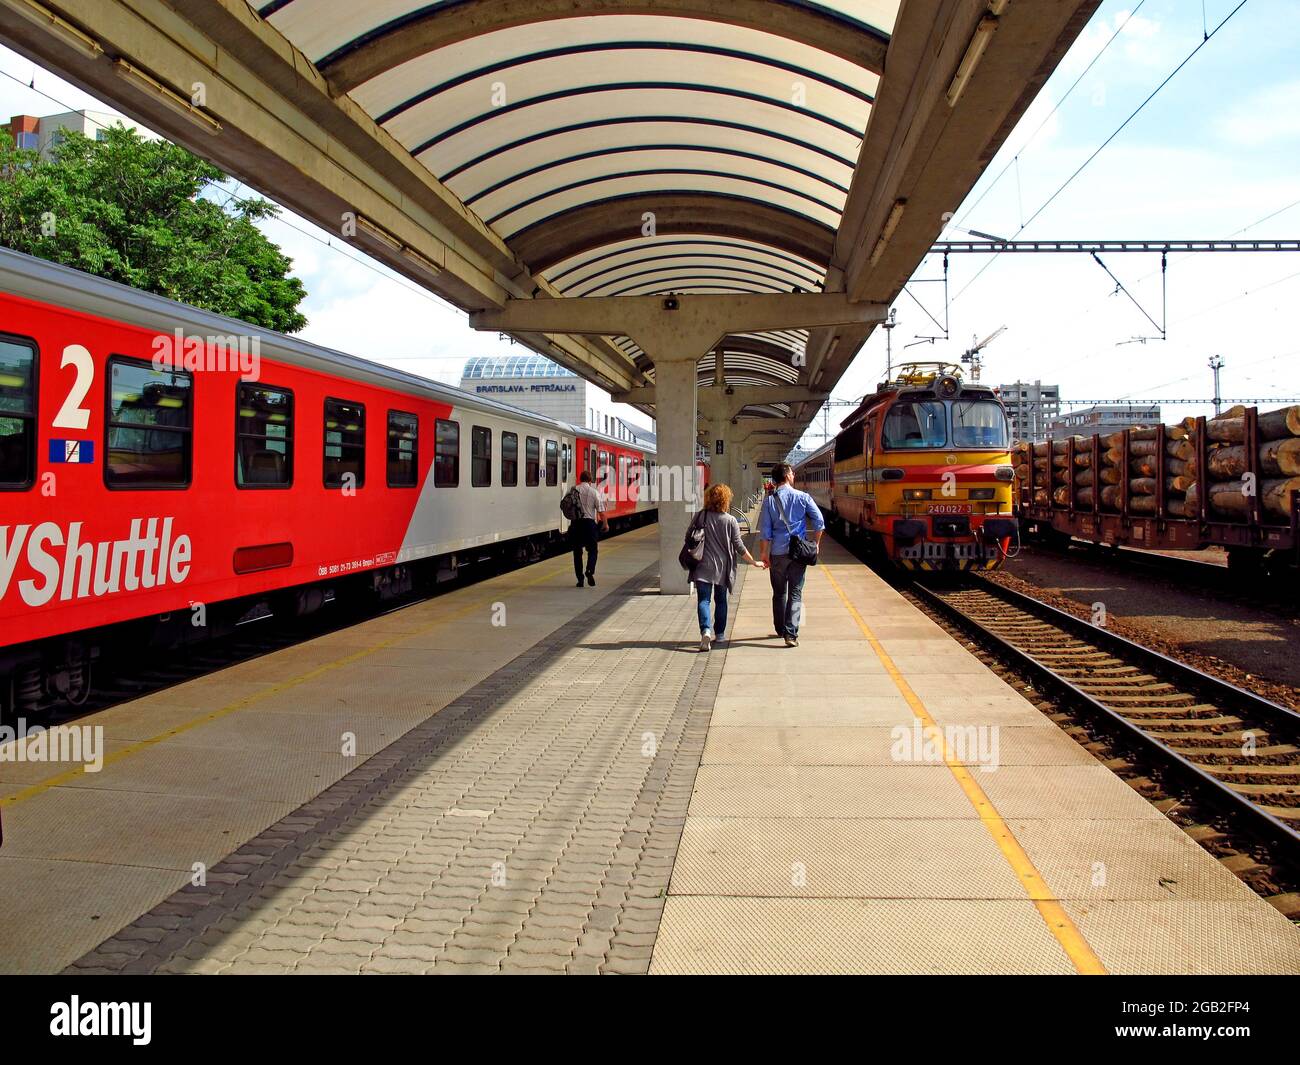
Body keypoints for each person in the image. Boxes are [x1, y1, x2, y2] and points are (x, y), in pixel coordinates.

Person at [690, 483, 765, 652]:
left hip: (702, 566)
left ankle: (705, 631)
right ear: (726, 500)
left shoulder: (700, 516)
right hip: (722, 568)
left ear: (709, 498)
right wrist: (754, 562)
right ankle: (721, 634)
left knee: (704, 600)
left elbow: (689, 536)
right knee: (721, 600)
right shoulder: (730, 520)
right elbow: (739, 547)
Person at [758, 462, 825, 647]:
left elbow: (765, 531)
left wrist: (764, 553)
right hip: (798, 553)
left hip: (777, 553)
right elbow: (819, 522)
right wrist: (816, 544)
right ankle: (791, 634)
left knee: (779, 592)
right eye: (793, 474)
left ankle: (780, 629)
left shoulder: (770, 500)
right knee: (796, 592)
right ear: (787, 476)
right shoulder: (803, 497)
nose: (794, 476)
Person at [571, 470, 608, 587]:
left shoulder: (572, 490)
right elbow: (601, 512)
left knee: (577, 553)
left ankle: (580, 579)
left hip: (576, 523)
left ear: (580, 479)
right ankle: (589, 571)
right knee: (592, 550)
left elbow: (566, 506)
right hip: (589, 524)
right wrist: (605, 524)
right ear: (590, 480)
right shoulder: (594, 492)